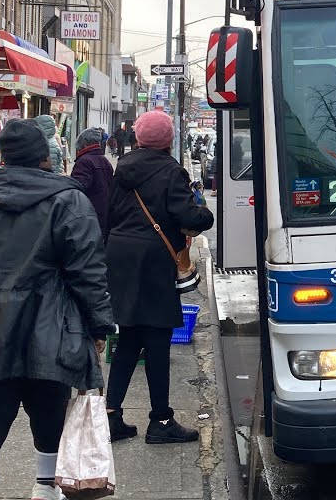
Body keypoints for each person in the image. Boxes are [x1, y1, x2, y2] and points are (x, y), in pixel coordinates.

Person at [0, 119, 114, 500]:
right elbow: (88, 270)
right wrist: (99, 327)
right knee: (49, 407)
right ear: (45, 156)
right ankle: (46, 488)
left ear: (3, 157)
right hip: (52, 325)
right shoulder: (68, 200)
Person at [104, 110, 214, 444]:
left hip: (120, 255)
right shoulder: (170, 172)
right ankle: (161, 420)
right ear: (168, 140)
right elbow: (185, 213)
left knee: (128, 338)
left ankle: (111, 416)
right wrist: (204, 213)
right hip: (153, 259)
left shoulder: (122, 168)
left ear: (137, 137)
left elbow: (111, 214)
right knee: (155, 339)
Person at [72, 127, 114, 239]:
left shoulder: (84, 161)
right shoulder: (104, 160)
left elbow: (78, 187)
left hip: (89, 211)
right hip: (104, 210)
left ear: (84, 144)